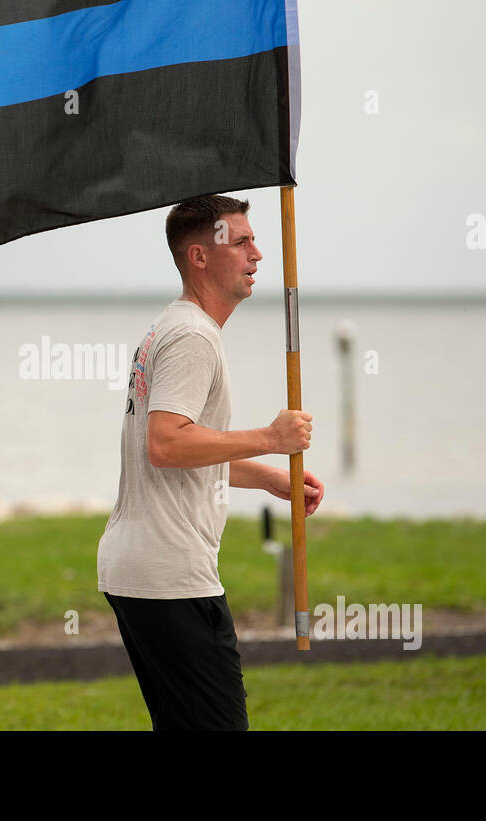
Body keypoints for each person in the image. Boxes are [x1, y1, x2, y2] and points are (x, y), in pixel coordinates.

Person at [97, 194, 324, 731]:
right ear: (199, 256)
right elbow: (167, 444)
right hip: (170, 574)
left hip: (142, 568)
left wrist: (267, 478)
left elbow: (184, 452)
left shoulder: (175, 328)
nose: (258, 255)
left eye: (255, 241)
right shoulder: (193, 336)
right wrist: (269, 437)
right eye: (242, 242)